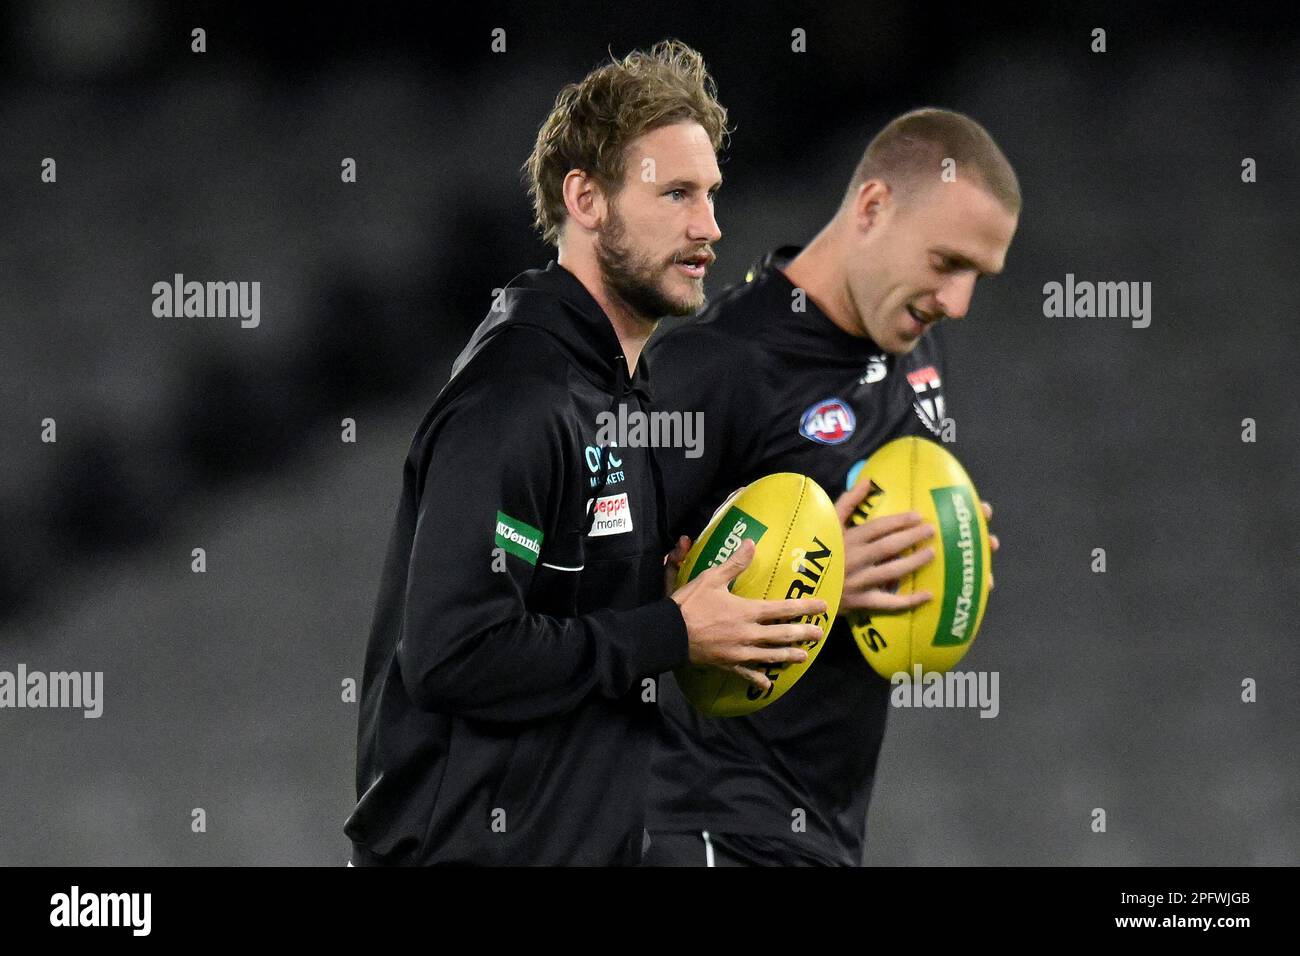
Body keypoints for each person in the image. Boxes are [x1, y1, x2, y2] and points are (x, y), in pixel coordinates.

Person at [344, 40, 826, 867]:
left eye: (711, 196)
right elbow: (456, 653)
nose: (710, 227)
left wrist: (670, 600)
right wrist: (666, 631)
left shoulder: (608, 392)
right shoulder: (521, 394)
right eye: (675, 193)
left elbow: (570, 628)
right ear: (586, 198)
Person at [641, 108, 1019, 866]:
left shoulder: (909, 342)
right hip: (709, 820)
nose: (958, 302)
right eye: (947, 263)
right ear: (873, 208)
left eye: (979, 275)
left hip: (821, 824)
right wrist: (818, 572)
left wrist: (952, 549)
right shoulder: (716, 366)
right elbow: (590, 595)